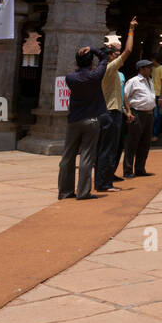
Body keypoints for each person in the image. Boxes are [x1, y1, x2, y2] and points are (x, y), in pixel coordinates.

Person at [58, 18, 135, 201]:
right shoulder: (97, 74)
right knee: (87, 156)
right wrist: (93, 49)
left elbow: (101, 57)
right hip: (93, 119)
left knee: (67, 157)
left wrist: (86, 53)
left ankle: (65, 191)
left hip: (74, 120)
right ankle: (85, 191)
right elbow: (105, 56)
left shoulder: (70, 78)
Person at [94, 28, 136, 192]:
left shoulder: (100, 70)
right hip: (111, 113)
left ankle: (102, 180)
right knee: (108, 149)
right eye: (113, 54)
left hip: (108, 111)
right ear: (108, 57)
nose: (116, 55)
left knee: (104, 148)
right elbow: (128, 50)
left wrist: (126, 111)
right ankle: (103, 183)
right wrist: (131, 30)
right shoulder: (110, 69)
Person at [123, 60, 157, 178]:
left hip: (149, 114)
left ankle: (140, 168)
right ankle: (127, 170)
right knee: (132, 142)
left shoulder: (150, 80)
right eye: (148, 67)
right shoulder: (133, 81)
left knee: (145, 143)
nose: (150, 69)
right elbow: (125, 97)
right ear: (141, 69)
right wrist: (127, 112)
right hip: (137, 113)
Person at [151, 57, 162, 141]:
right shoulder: (152, 68)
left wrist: (161, 97)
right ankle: (152, 133)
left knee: (157, 115)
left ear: (155, 60)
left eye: (152, 60)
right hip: (152, 94)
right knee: (152, 115)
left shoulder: (161, 69)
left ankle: (155, 134)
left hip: (158, 95)